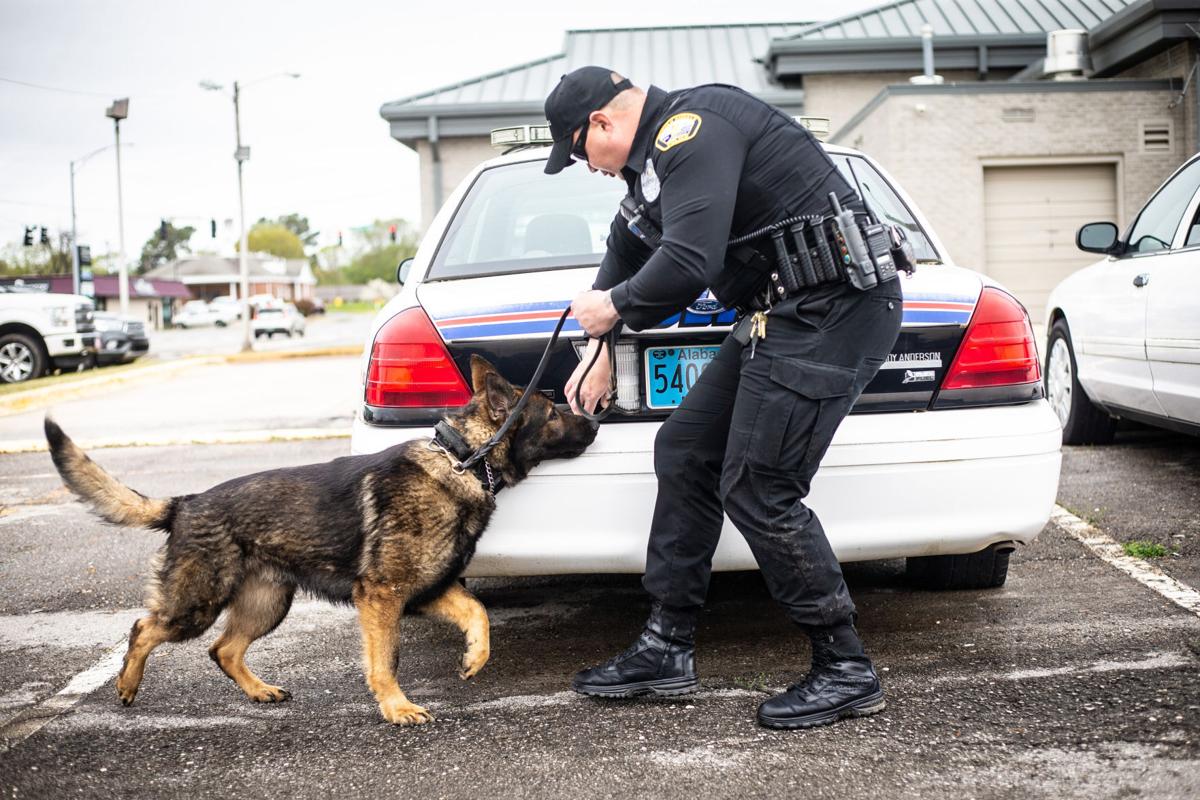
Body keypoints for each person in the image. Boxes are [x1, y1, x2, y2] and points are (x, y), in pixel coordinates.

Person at [544, 66, 904, 730]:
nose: (584, 168)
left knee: (760, 485)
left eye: (577, 153)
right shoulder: (653, 164)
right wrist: (599, 346)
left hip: (835, 308)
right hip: (781, 316)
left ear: (601, 123)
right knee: (684, 449)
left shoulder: (693, 132)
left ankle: (845, 667)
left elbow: (687, 263)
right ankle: (666, 647)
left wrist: (612, 310)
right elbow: (627, 249)